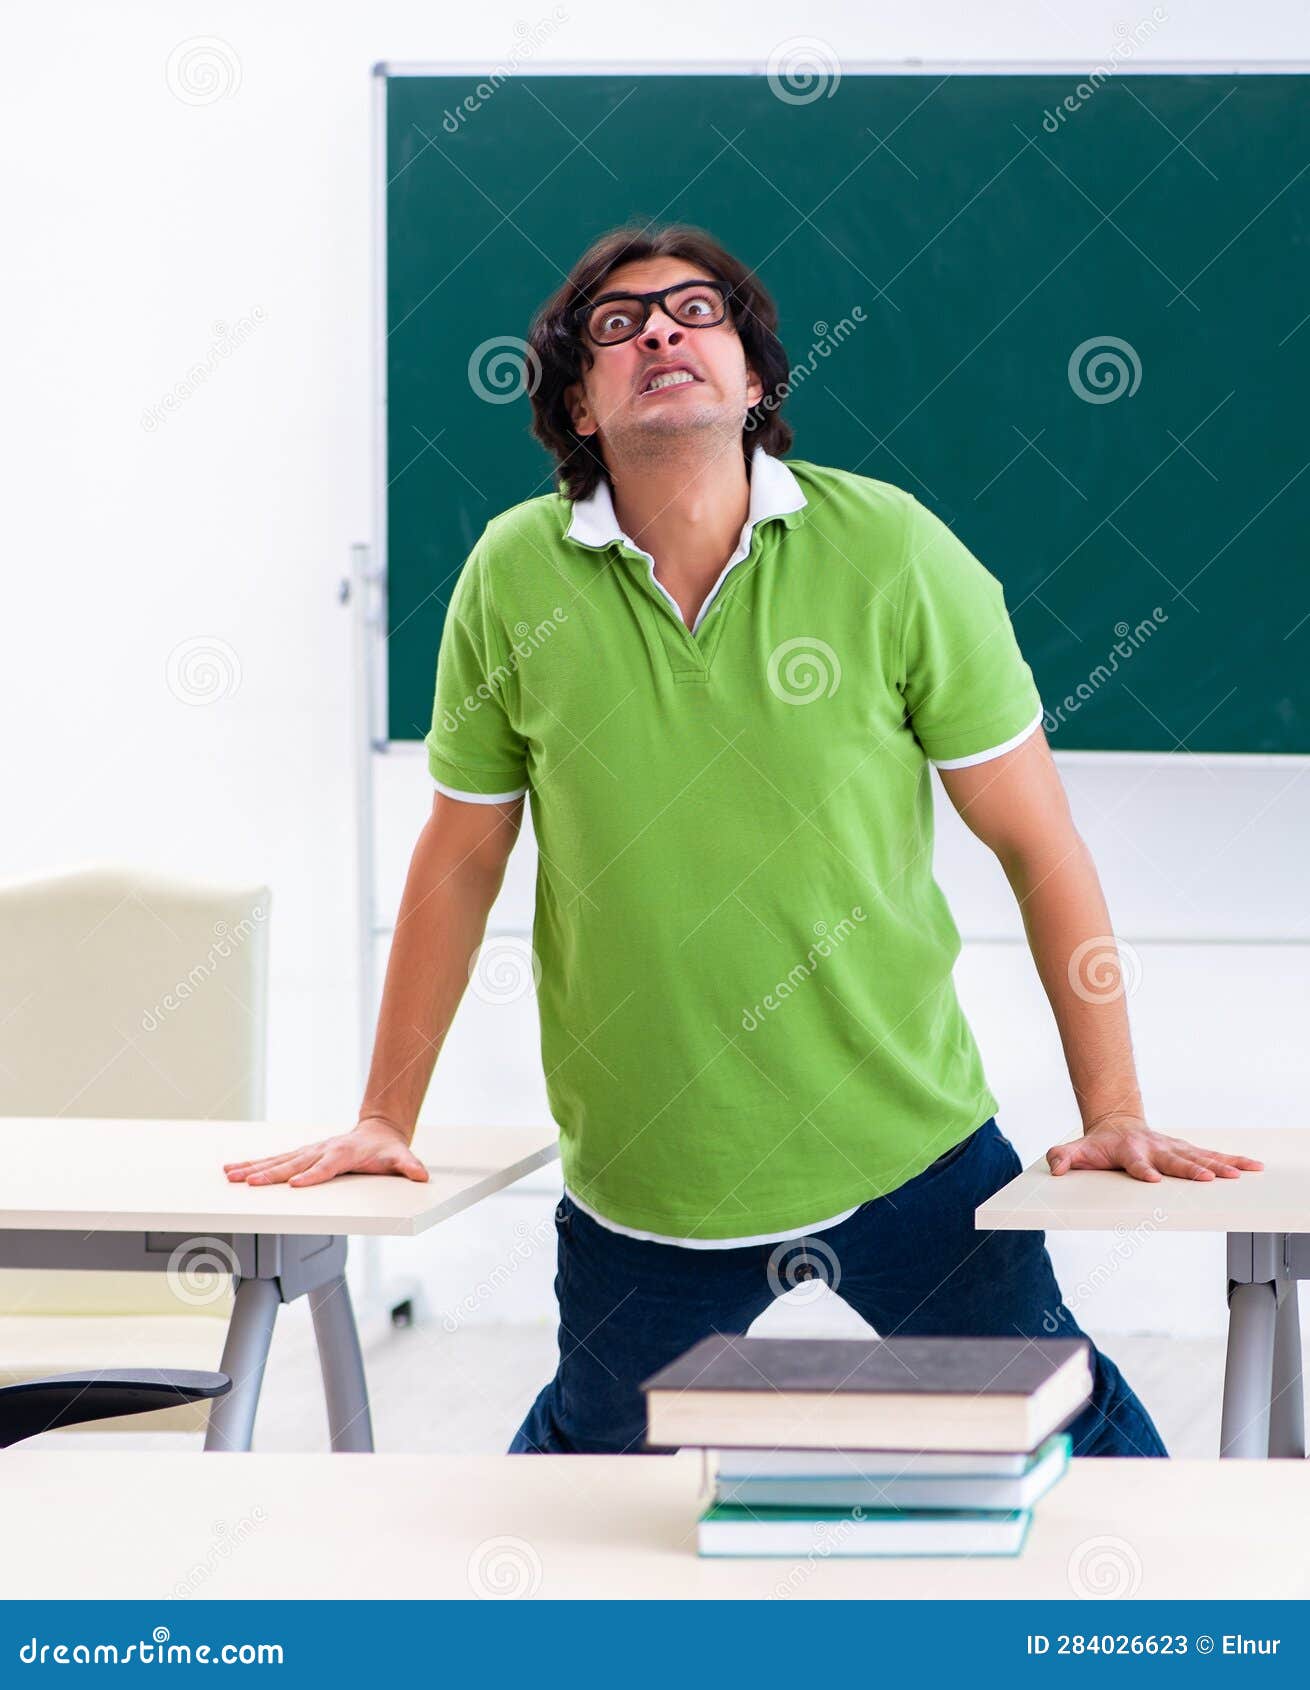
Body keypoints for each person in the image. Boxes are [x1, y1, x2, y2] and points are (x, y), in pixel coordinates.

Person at [225, 223, 1262, 1459]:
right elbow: (459, 859)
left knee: (1091, 1463)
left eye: (696, 310)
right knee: (572, 1513)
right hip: (646, 1183)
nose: (660, 330)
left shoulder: (891, 552)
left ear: (757, 378)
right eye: (617, 324)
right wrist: (384, 1117)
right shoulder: (512, 573)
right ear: (579, 405)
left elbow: (1036, 841)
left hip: (907, 1153)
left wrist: (1115, 1104)